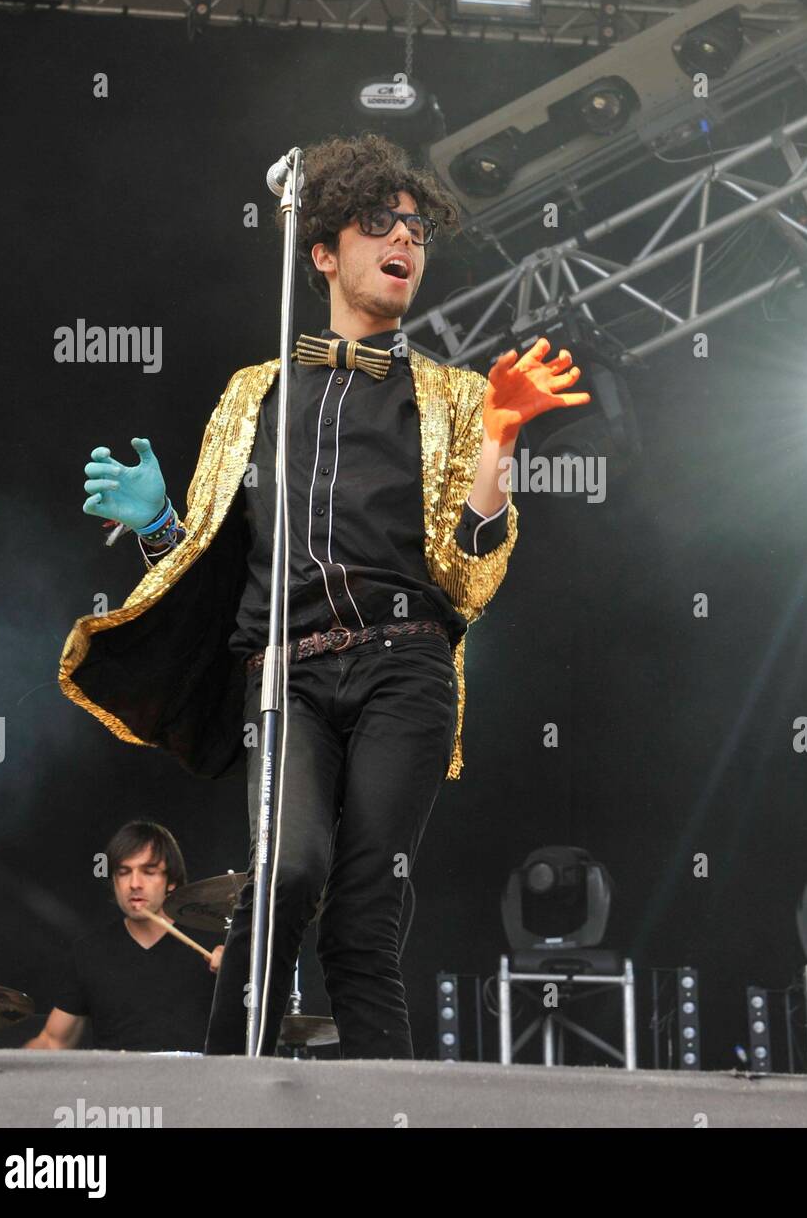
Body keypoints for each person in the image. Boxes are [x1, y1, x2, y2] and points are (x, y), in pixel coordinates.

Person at [58, 131, 590, 1058]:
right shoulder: (253, 392)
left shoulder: (455, 394)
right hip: (286, 678)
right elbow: (218, 573)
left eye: (418, 231)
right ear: (322, 251)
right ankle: (224, 1110)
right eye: (381, 223)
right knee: (285, 874)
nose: (405, 241)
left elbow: (472, 571)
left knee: (365, 910)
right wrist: (156, 525)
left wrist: (500, 439)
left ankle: (385, 1114)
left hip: (405, 669)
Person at [26, 820, 222, 1052]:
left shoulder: (212, 948)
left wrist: (235, 973)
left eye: (149, 872)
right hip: (115, 1085)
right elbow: (53, 1041)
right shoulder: (90, 952)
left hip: (195, 1084)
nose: (134, 884)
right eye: (124, 872)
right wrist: (4, 1071)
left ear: (171, 882)